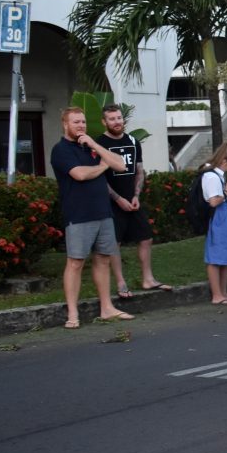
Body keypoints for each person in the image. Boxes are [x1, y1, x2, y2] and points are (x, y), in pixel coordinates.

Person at [50, 107, 132, 328]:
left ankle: (107, 309)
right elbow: (80, 174)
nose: (81, 126)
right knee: (75, 262)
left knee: (103, 259)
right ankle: (73, 314)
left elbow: (121, 164)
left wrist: (95, 145)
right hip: (78, 215)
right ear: (65, 125)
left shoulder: (91, 147)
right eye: (76, 122)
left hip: (103, 212)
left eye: (83, 122)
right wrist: (102, 166)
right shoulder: (60, 150)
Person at [96, 104, 170, 297]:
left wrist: (136, 195)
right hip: (111, 203)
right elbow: (99, 177)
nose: (117, 122)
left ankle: (148, 279)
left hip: (133, 200)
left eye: (119, 118)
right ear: (104, 122)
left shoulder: (133, 141)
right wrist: (118, 198)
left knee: (146, 237)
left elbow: (139, 171)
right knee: (115, 243)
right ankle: (121, 283)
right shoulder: (99, 144)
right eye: (112, 119)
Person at [201, 144, 227, 305]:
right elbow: (214, 201)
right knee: (216, 256)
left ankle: (223, 292)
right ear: (224, 161)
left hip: (223, 217)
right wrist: (226, 192)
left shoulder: (218, 176)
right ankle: (217, 295)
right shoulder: (211, 177)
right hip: (217, 217)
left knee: (226, 253)